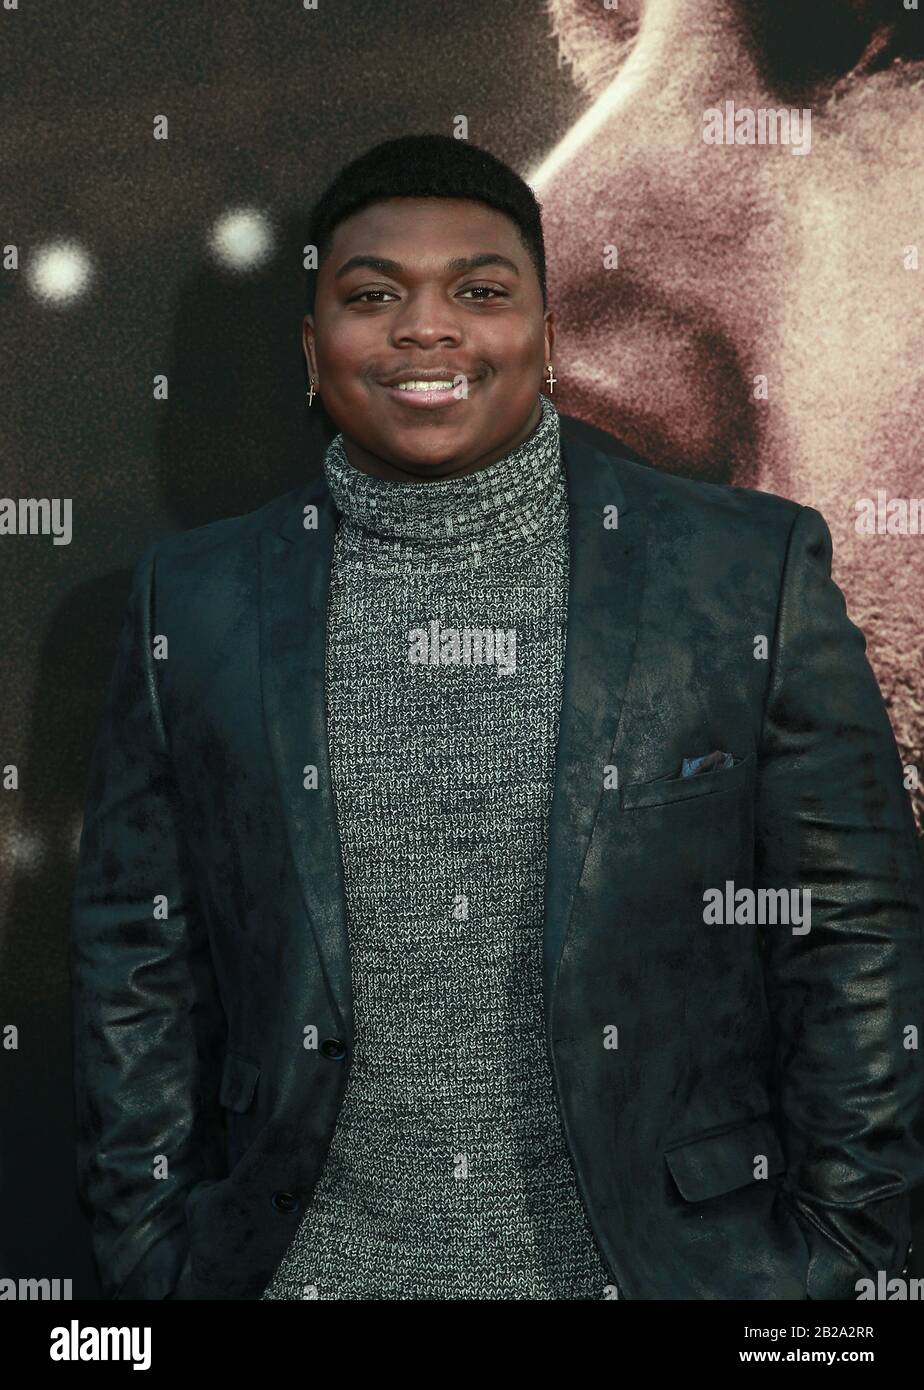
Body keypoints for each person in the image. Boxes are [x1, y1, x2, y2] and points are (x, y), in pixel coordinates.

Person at [70, 133, 924, 1301]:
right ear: (312, 349)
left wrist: (839, 1264)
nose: (427, 329)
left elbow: (856, 935)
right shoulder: (197, 601)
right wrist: (149, 1260)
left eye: (479, 290)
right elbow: (138, 966)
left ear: (549, 334)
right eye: (374, 296)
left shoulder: (745, 573)